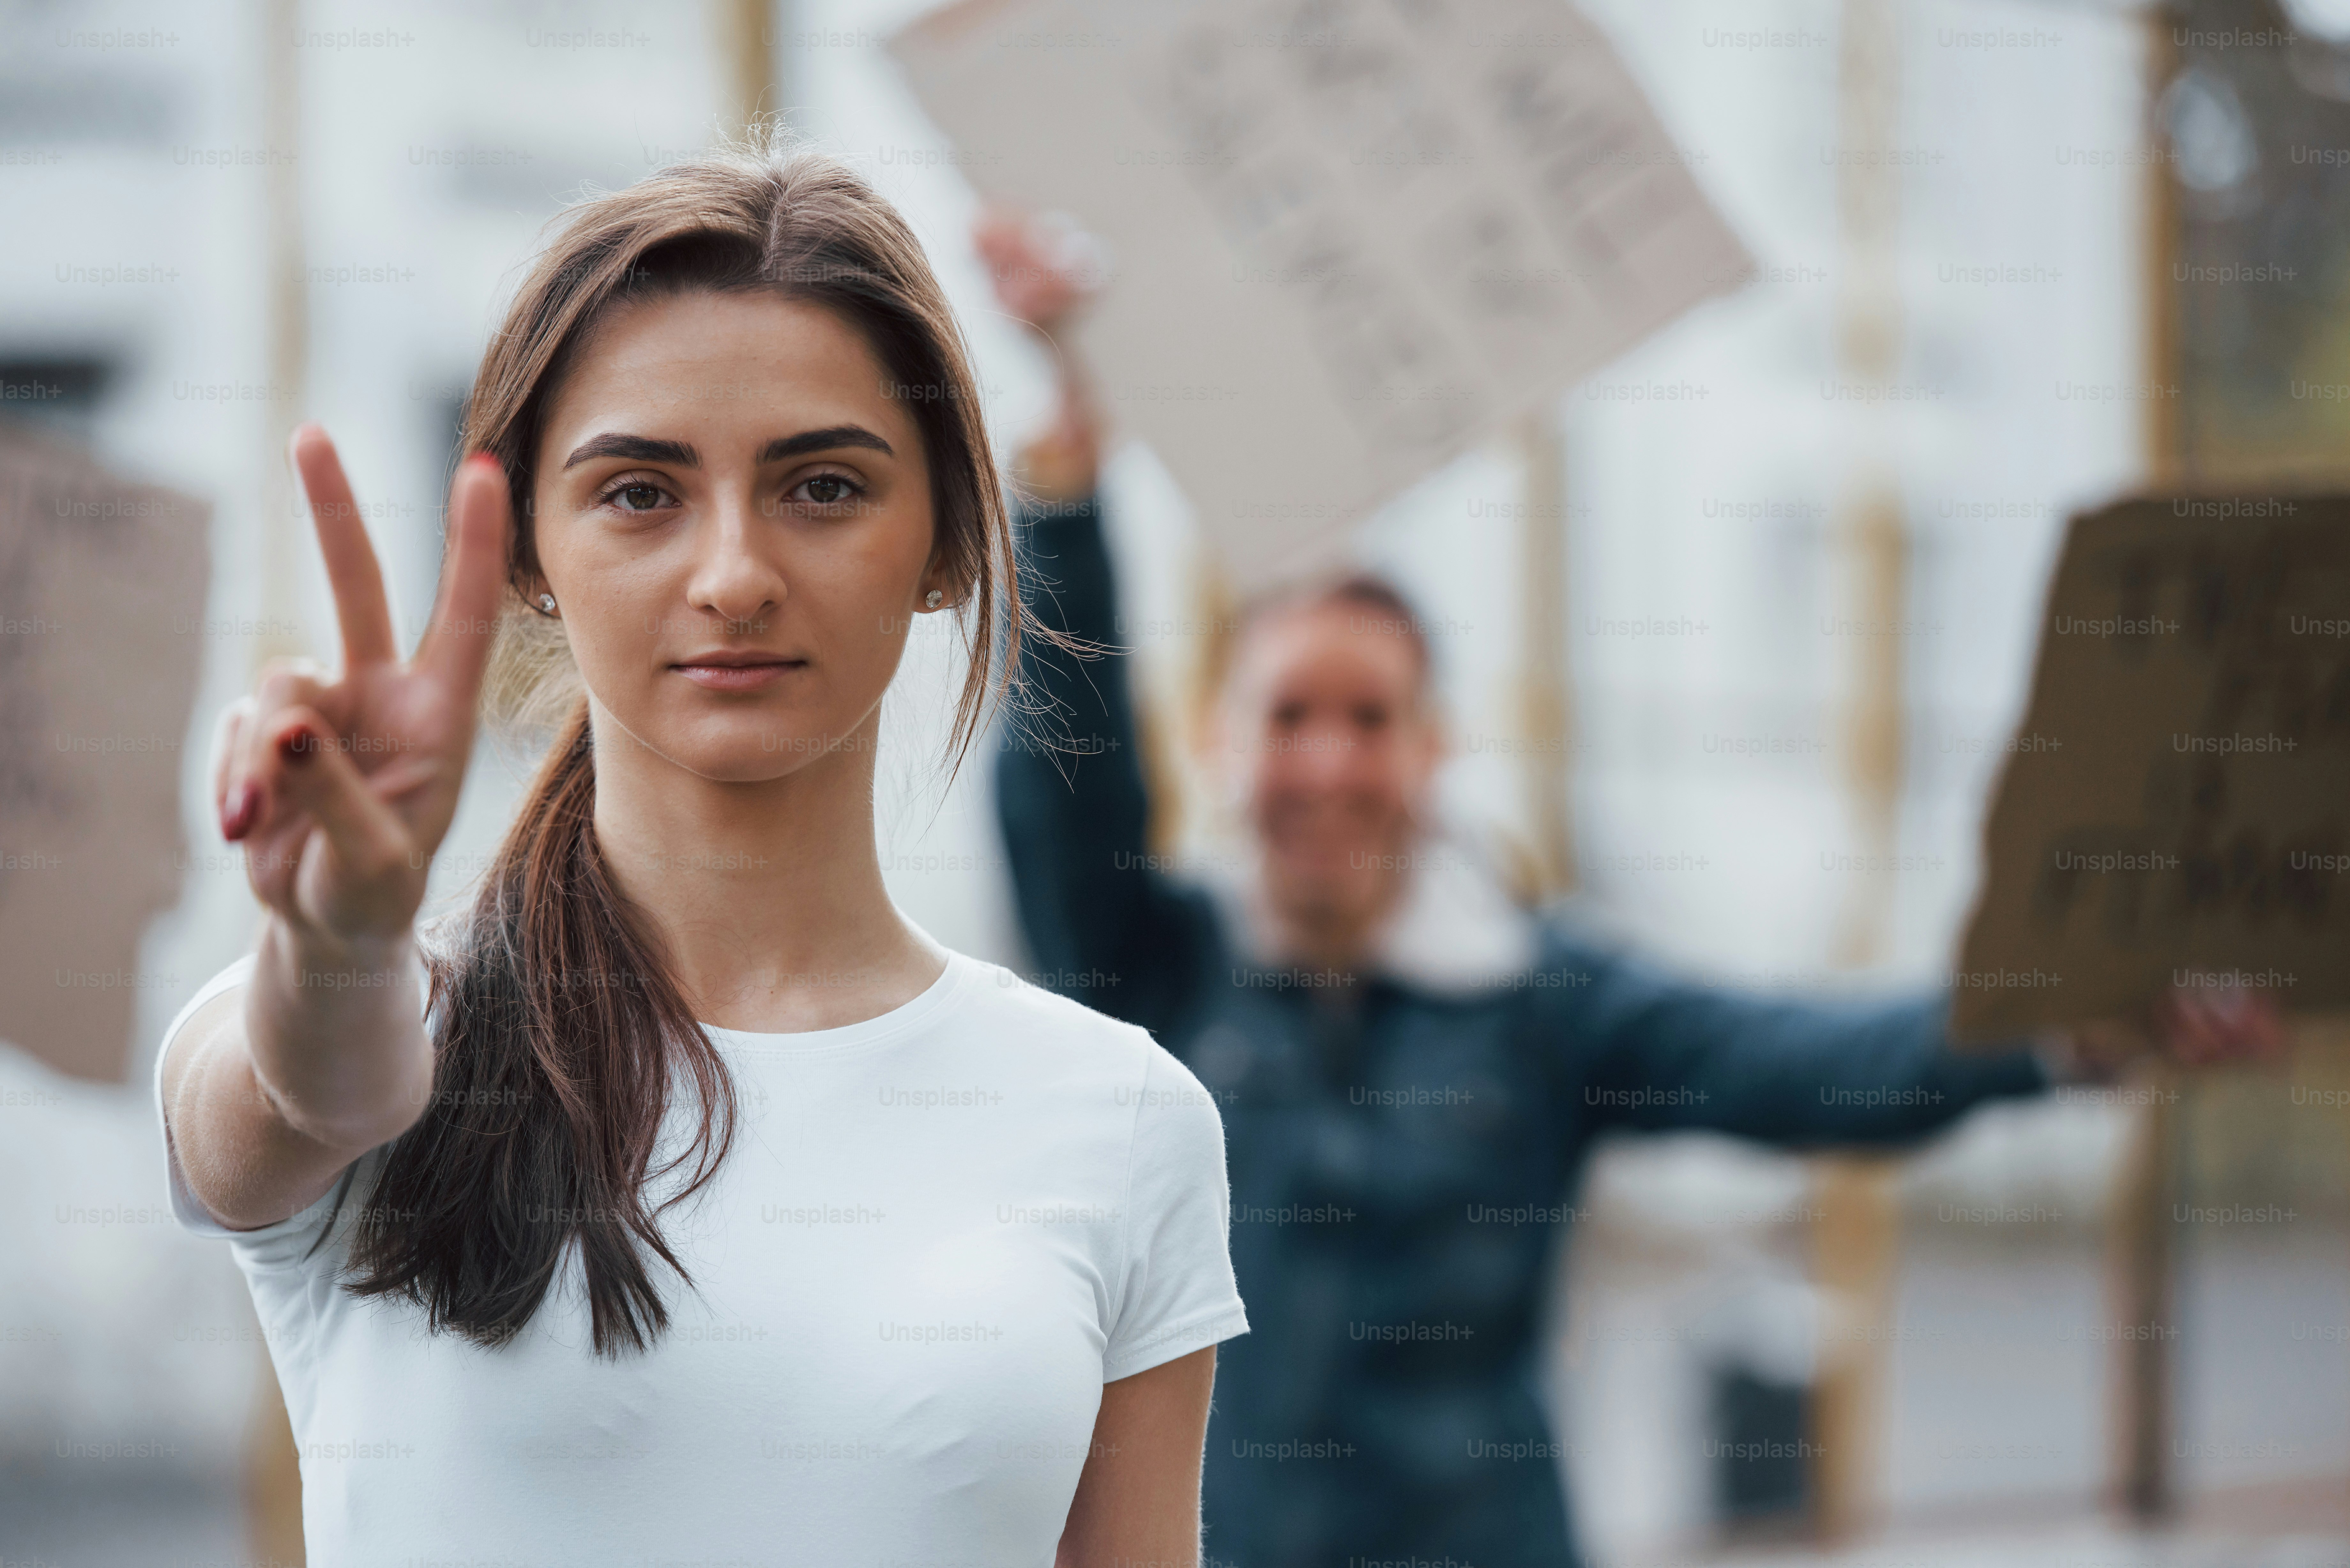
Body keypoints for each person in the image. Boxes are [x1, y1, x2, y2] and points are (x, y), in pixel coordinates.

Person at [980, 209, 2284, 1568]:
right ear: (1219, 742)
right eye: (1290, 713)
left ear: (1432, 753)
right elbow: (1063, 792)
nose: (1329, 760)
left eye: (1370, 719)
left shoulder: (1542, 1002)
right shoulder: (1147, 972)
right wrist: (1066, 475)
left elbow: (1815, 1066)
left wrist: (2080, 1024)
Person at [153, 145, 1248, 1566]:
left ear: (950, 547)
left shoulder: (1122, 1118)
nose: (732, 574)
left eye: (824, 487)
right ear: (529, 549)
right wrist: (339, 936)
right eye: (639, 493)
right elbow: (304, 1093)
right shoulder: (378, 1019)